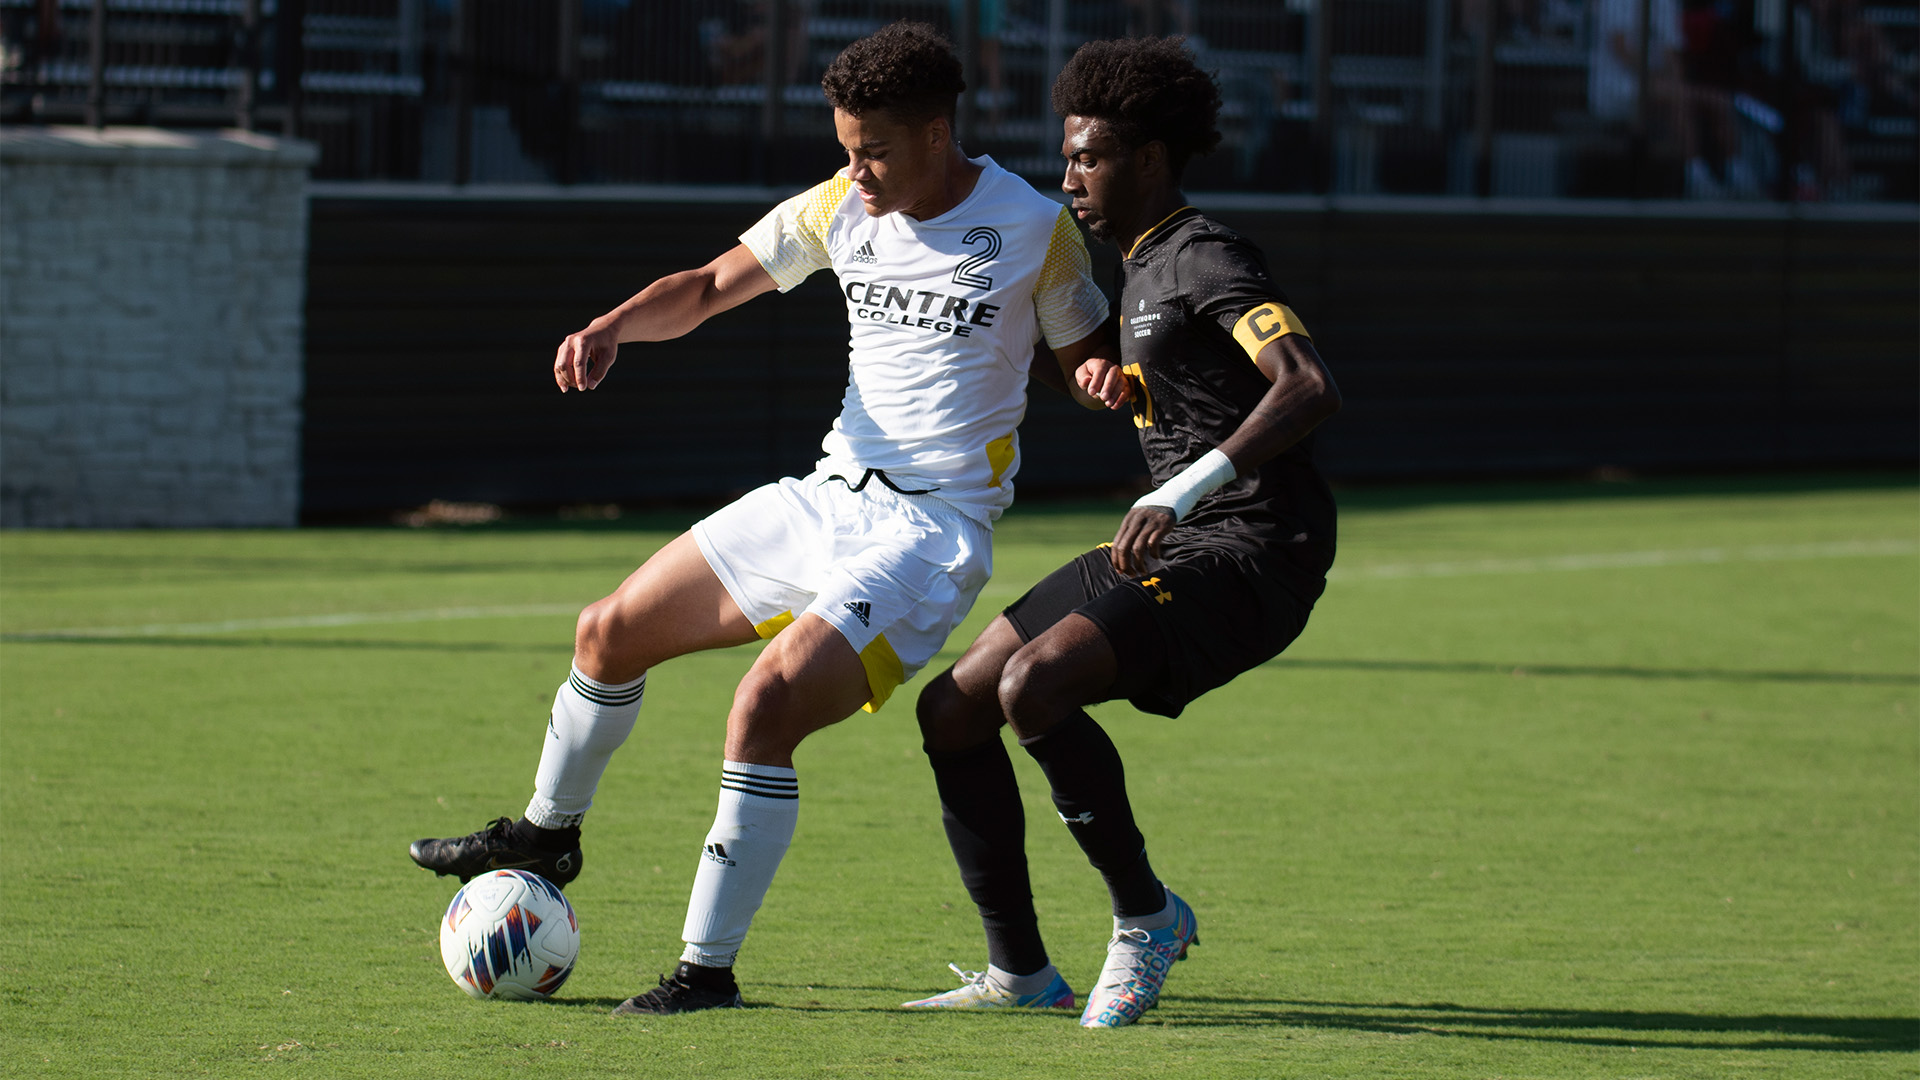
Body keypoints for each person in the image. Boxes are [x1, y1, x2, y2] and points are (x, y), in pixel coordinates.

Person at [408, 20, 1120, 1016]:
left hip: (931, 535)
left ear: (933, 134)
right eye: (845, 149)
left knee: (764, 706)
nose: (856, 172)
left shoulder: (1034, 227)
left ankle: (705, 972)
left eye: (873, 151)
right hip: (823, 501)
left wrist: (1101, 376)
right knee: (606, 633)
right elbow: (705, 288)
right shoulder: (839, 209)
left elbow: (1086, 363)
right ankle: (546, 833)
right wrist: (614, 326)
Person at [903, 36, 1341, 1028]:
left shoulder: (1207, 256)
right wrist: (1118, 379)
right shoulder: (1139, 272)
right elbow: (1188, 382)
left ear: (1147, 158)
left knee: (1035, 684)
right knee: (956, 710)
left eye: (1089, 158)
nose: (1070, 180)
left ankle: (1147, 918)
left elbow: (1309, 387)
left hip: (1255, 548)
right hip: (1181, 541)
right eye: (1066, 158)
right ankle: (1020, 974)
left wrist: (1183, 488)